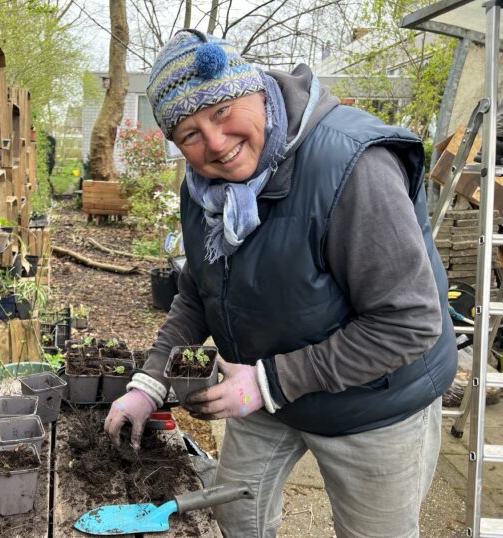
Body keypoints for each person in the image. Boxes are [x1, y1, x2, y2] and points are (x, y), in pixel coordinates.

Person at [104, 29, 457, 538]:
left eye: (222, 112)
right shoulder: (203, 189)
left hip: (374, 403)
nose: (216, 144)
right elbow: (197, 292)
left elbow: (409, 321)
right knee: (237, 515)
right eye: (190, 134)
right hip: (264, 389)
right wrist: (150, 380)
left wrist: (269, 381)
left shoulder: (352, 167)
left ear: (256, 90)